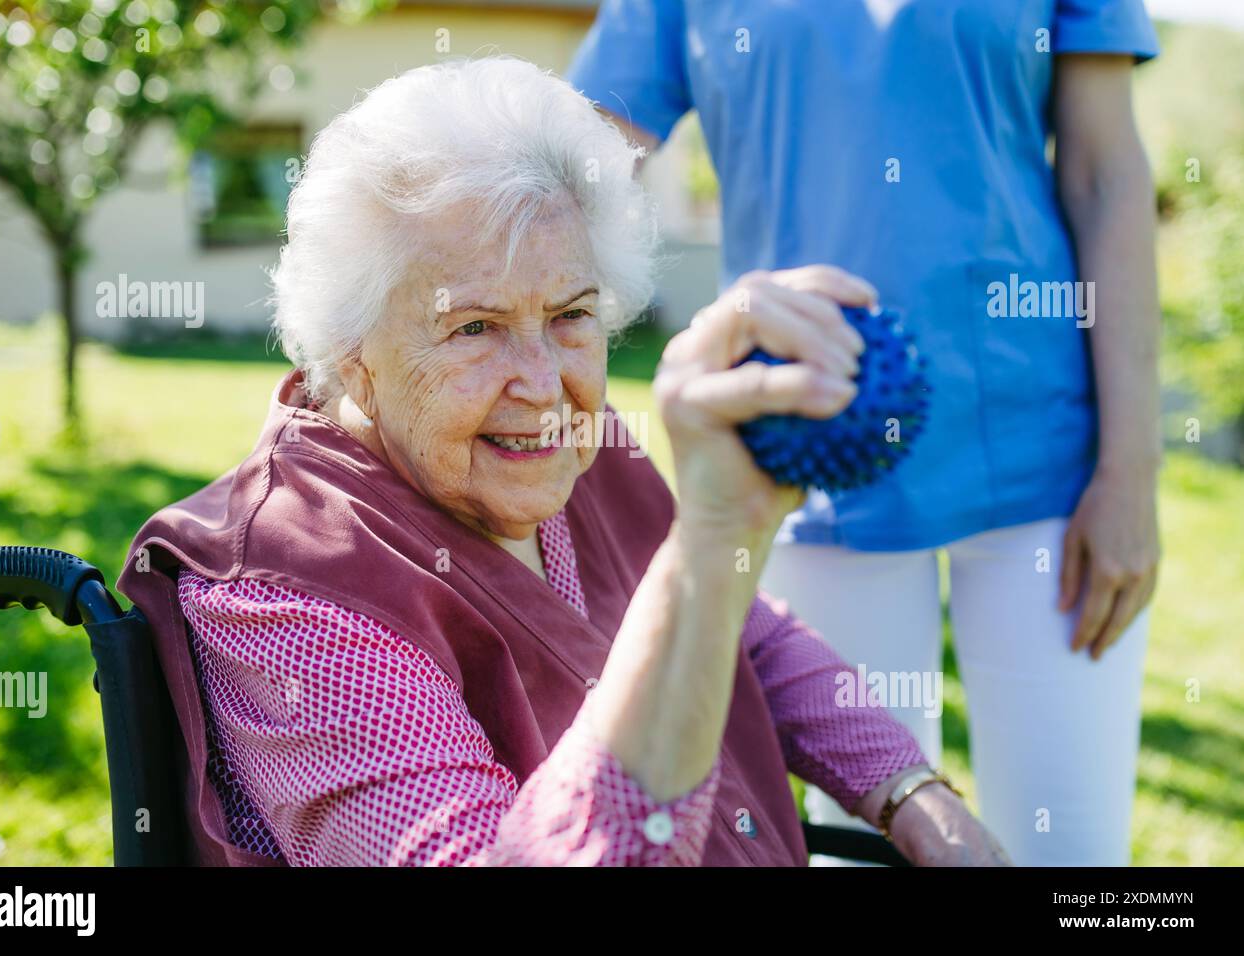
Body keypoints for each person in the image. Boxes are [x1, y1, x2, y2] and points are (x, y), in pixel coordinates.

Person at [119, 56, 1010, 866]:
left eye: (572, 315)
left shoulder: (581, 449)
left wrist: (909, 795)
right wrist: (712, 535)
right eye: (475, 328)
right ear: (350, 350)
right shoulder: (280, 589)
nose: (543, 387)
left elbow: (749, 637)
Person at [568, 0, 1161, 865]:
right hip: (803, 455)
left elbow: (1107, 177)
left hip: (1048, 460)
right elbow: (579, 159)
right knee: (864, 842)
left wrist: (1132, 471)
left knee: (1072, 857)